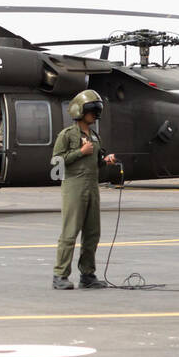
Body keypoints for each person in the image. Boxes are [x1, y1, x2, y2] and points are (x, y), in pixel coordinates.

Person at [51, 89, 117, 290]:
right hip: (74, 187)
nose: (95, 114)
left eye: (96, 110)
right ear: (80, 111)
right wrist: (80, 152)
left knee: (92, 233)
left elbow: (95, 163)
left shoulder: (95, 136)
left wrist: (105, 161)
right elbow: (56, 164)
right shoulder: (67, 135)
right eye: (91, 110)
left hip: (92, 187)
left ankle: (87, 274)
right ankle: (60, 275)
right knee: (70, 232)